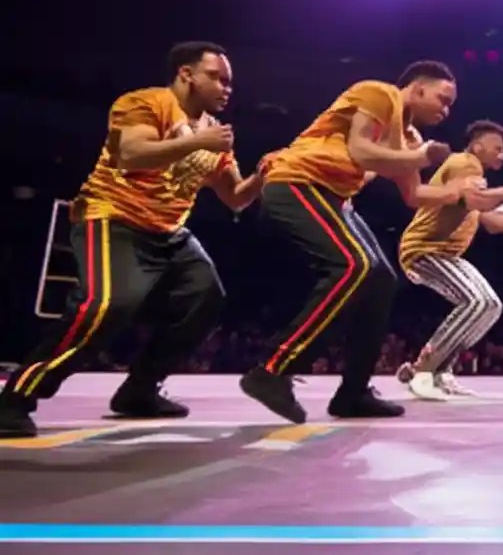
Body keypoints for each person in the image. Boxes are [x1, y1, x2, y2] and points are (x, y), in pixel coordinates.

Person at [0, 42, 267, 439]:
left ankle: (140, 390)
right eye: (217, 77)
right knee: (107, 304)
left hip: (169, 233)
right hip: (112, 218)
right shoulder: (146, 103)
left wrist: (264, 174)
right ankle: (15, 399)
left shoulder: (215, 134)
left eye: (229, 82)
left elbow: (235, 198)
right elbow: (131, 154)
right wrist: (196, 142)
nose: (226, 88)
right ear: (186, 74)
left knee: (205, 299)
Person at [240, 60, 470, 424]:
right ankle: (271, 370)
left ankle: (354, 393)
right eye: (443, 99)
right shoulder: (380, 94)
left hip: (335, 198)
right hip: (298, 181)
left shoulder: (409, 139)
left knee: (381, 280)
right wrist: (423, 156)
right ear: (418, 88)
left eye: (450, 105)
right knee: (355, 265)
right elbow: (361, 151)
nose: (446, 110)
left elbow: (413, 194)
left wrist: (456, 194)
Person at [395, 120, 503, 400]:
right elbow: (478, 201)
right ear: (478, 146)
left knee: (491, 305)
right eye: (498, 148)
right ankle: (423, 370)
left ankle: (441, 372)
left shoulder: (475, 178)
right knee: (477, 301)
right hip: (423, 250)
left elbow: (493, 222)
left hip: (446, 254)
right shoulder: (465, 163)